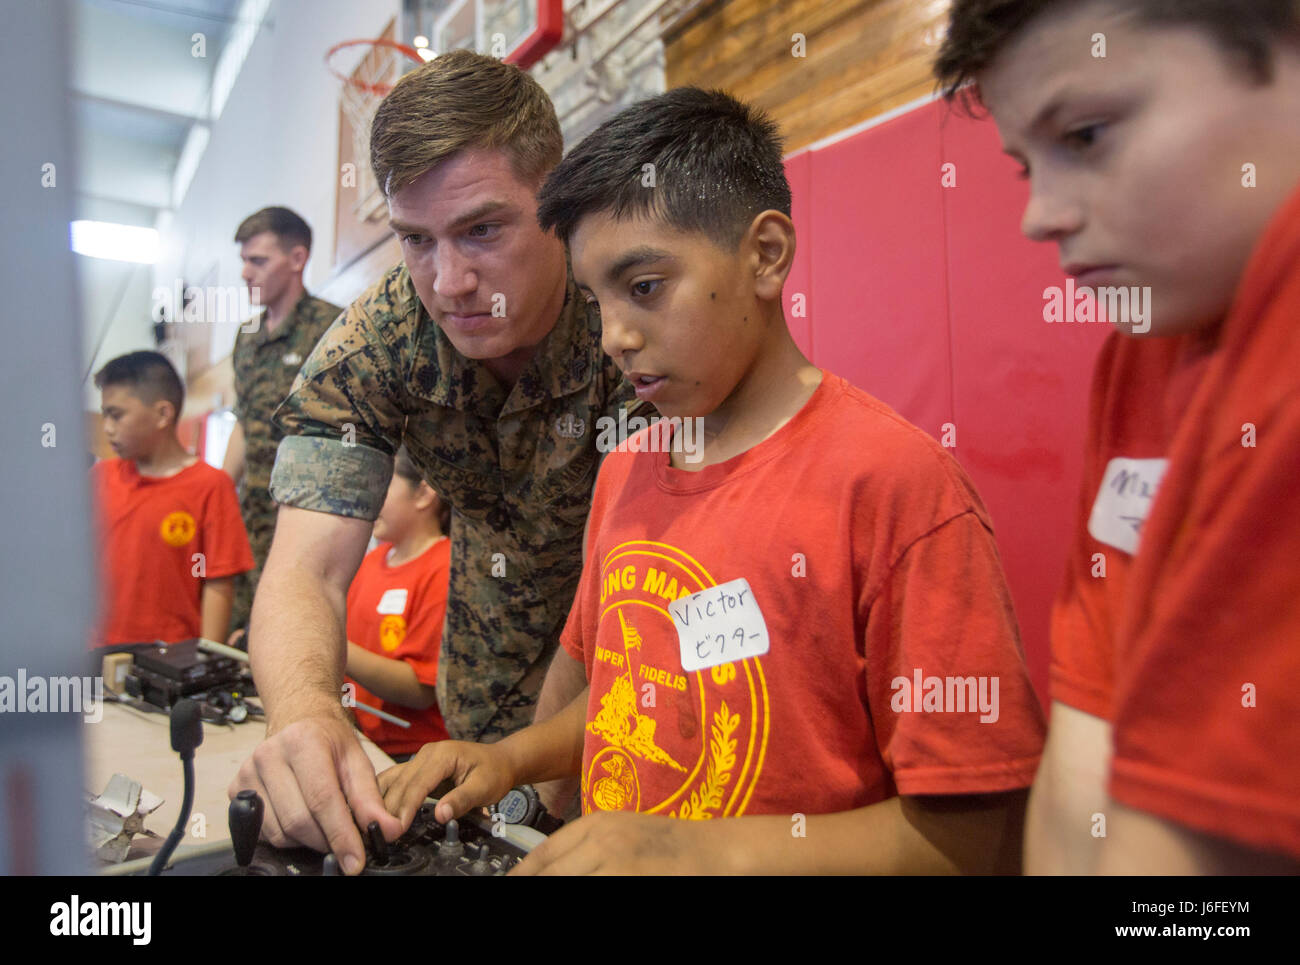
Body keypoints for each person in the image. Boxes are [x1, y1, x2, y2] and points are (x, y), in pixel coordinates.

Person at [377, 88, 1047, 874]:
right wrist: (512, 758)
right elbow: (629, 690)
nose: (617, 337)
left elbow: (972, 834)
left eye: (647, 287)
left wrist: (691, 849)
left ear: (765, 255)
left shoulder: (895, 485)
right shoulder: (626, 464)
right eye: (597, 301)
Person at [230, 50, 652, 874]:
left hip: (638, 691)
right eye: (415, 240)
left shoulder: (635, 312)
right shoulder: (379, 339)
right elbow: (305, 570)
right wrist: (307, 711)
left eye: (483, 230)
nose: (449, 280)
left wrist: (560, 759)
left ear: (557, 199)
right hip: (478, 696)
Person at [934, 0, 1300, 872]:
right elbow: (1093, 733)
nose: (1039, 214)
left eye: (1089, 135)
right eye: (1027, 166)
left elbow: (1203, 867)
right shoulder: (1142, 356)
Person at [223, 207, 341, 642]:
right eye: (244, 260)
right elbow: (243, 418)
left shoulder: (332, 326)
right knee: (239, 633)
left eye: (258, 261)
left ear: (296, 259)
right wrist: (218, 490)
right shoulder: (247, 338)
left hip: (302, 516)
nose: (245, 272)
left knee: (289, 633)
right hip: (249, 516)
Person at [92, 351, 253, 646]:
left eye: (117, 415)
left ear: (163, 414)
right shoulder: (99, 478)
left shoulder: (211, 487)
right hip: (94, 653)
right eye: (105, 415)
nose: (108, 428)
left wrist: (205, 659)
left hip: (169, 661)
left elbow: (217, 584)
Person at [343, 445, 452, 761]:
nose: (367, 496)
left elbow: (420, 691)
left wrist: (332, 645)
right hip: (361, 741)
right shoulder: (372, 560)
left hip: (410, 755)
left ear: (423, 494)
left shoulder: (443, 569)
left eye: (381, 483)